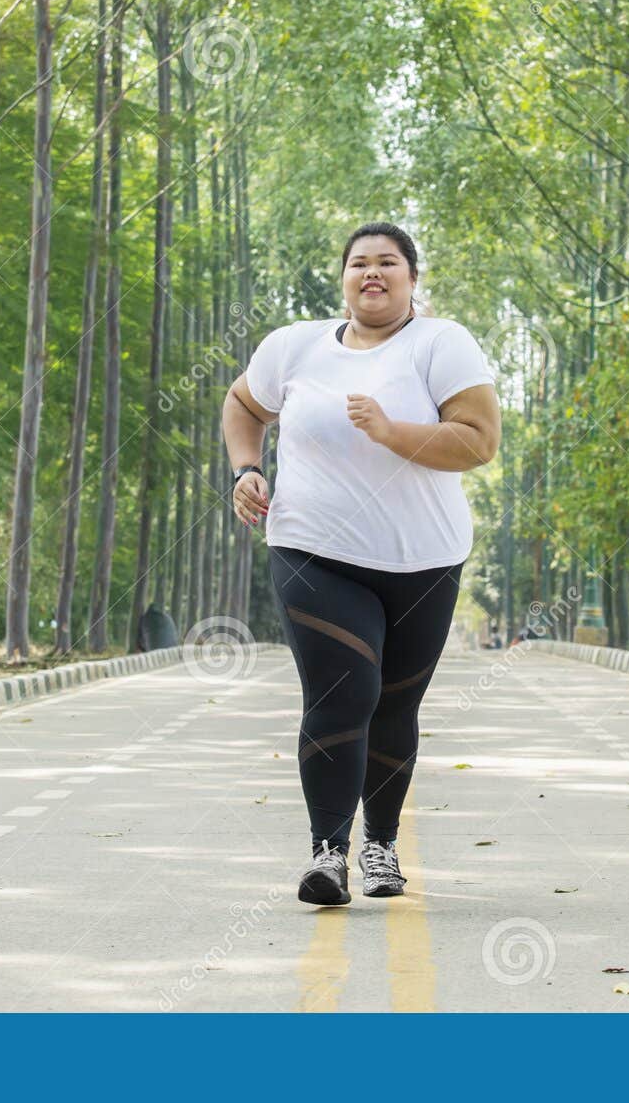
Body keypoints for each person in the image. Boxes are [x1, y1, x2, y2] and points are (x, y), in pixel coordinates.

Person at [220, 221, 502, 906]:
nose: (372, 273)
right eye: (359, 263)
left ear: (412, 278)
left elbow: (479, 441)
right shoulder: (293, 347)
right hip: (312, 546)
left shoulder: (441, 344)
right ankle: (329, 852)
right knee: (343, 689)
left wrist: (391, 431)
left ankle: (380, 843)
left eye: (388, 263)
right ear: (342, 277)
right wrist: (247, 468)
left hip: (423, 560)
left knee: (394, 705)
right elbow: (242, 403)